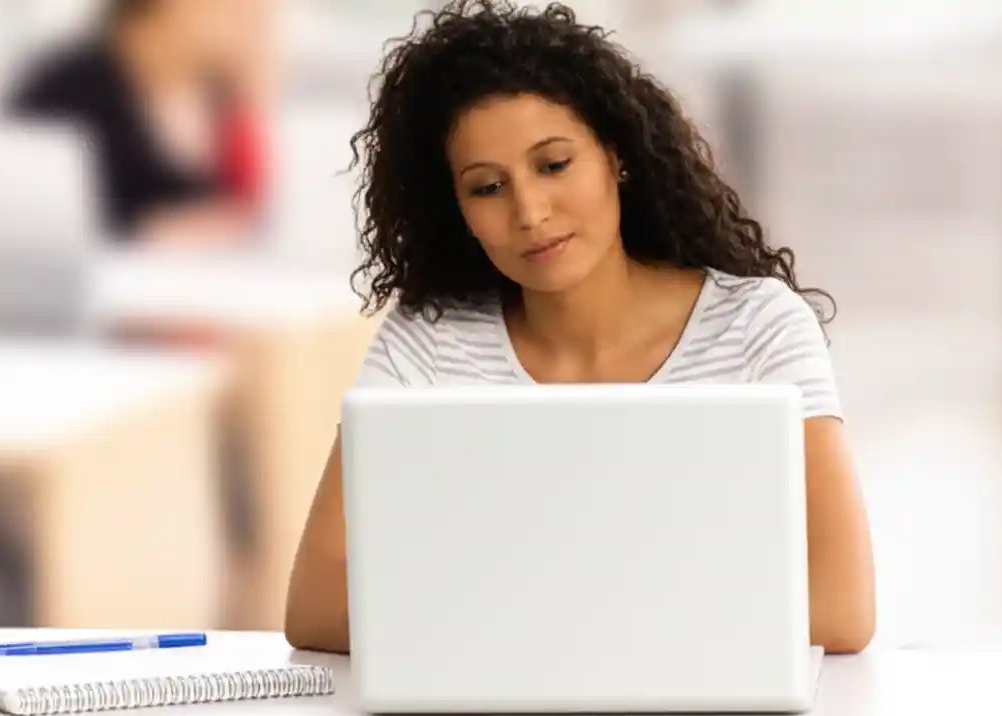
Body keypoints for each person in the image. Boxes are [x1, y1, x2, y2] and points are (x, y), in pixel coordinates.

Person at [285, 0, 876, 655]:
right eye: (487, 187)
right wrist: (653, 615)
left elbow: (841, 608)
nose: (530, 212)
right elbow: (315, 606)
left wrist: (500, 615)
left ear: (615, 155)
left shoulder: (758, 327)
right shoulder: (429, 342)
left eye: (554, 164)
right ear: (454, 207)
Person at [7, 0, 269, 242]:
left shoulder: (221, 98)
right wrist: (153, 236)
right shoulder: (64, 88)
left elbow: (246, 221)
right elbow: (19, 222)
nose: (244, 11)